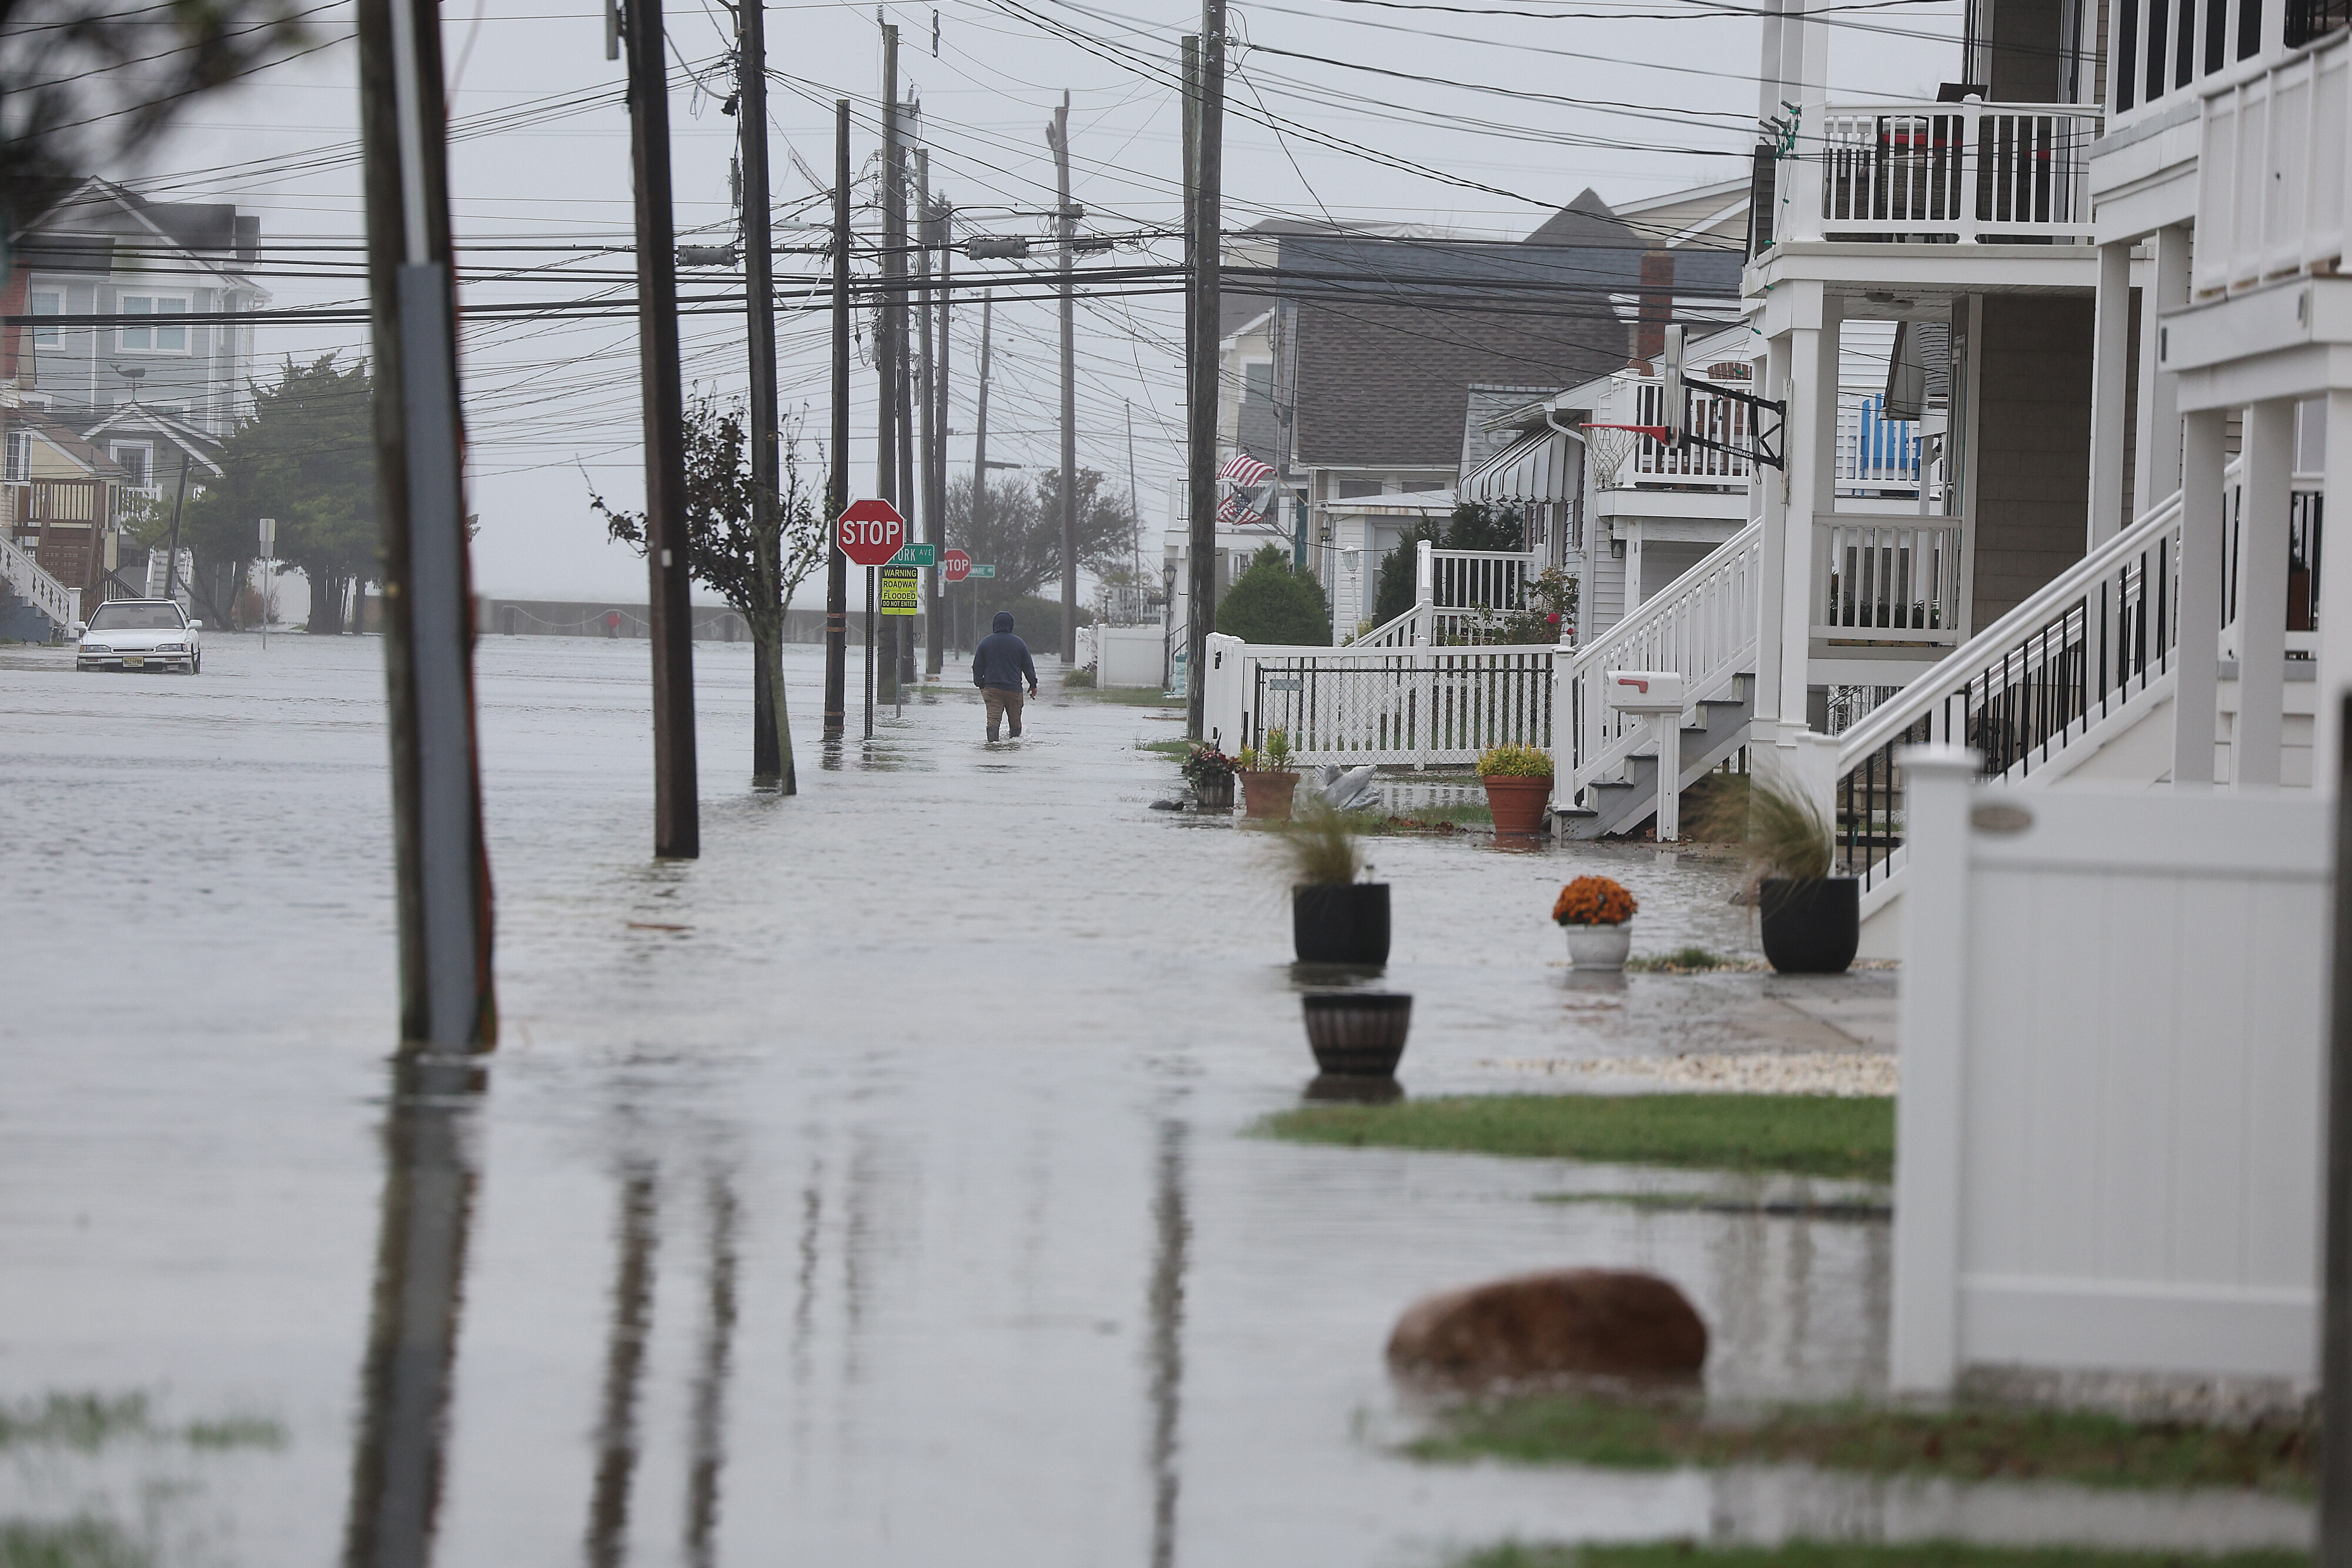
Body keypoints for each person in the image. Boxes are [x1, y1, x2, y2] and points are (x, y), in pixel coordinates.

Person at [971, 610, 1039, 741]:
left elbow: (977, 667)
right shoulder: (1019, 643)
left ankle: (992, 749)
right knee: (1015, 723)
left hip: (992, 689)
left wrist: (981, 685)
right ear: (1011, 626)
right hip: (1014, 690)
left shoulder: (985, 643)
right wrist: (1033, 684)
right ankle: (1014, 749)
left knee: (993, 722)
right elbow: (1028, 666)